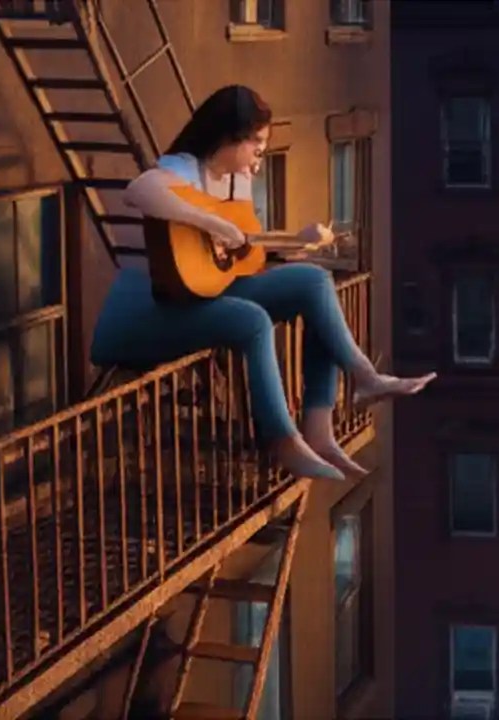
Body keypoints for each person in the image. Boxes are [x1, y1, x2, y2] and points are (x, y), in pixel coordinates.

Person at [91, 85, 434, 482]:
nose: (259, 155)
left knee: (314, 282)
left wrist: (297, 246)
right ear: (229, 136)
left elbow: (246, 256)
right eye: (255, 144)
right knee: (253, 320)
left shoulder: (237, 184)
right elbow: (140, 191)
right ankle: (281, 440)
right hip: (172, 305)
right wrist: (210, 222)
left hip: (215, 289)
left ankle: (331, 415)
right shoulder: (185, 168)